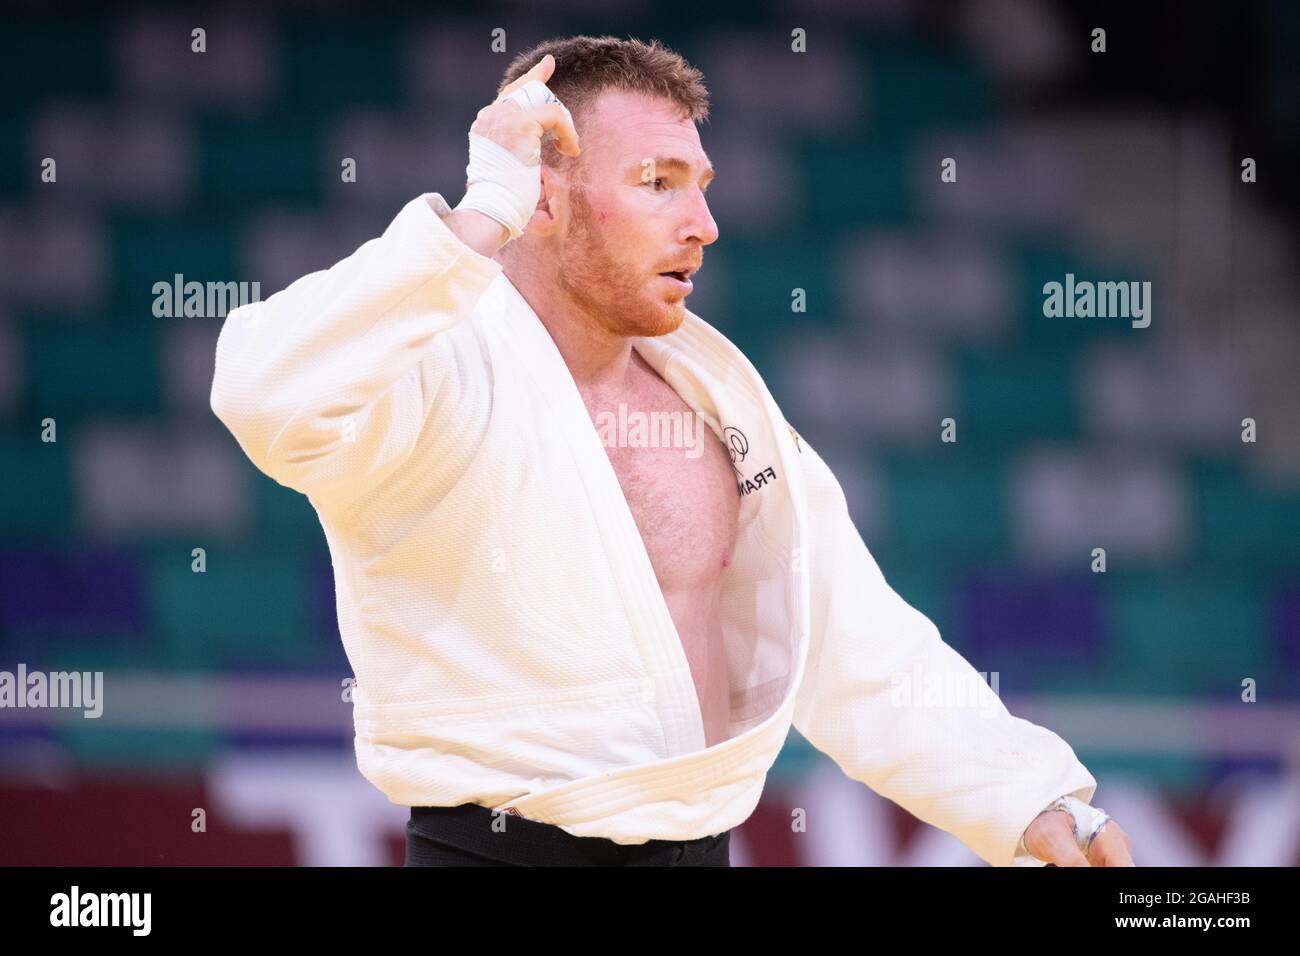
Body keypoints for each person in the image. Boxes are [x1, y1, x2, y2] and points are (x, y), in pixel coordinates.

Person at [210, 35, 1133, 867]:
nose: (703, 223)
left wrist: (1028, 797)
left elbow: (848, 631)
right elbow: (262, 392)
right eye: (657, 183)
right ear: (544, 195)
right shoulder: (430, 372)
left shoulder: (712, 391)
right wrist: (478, 212)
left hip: (701, 847)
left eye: (701, 184)